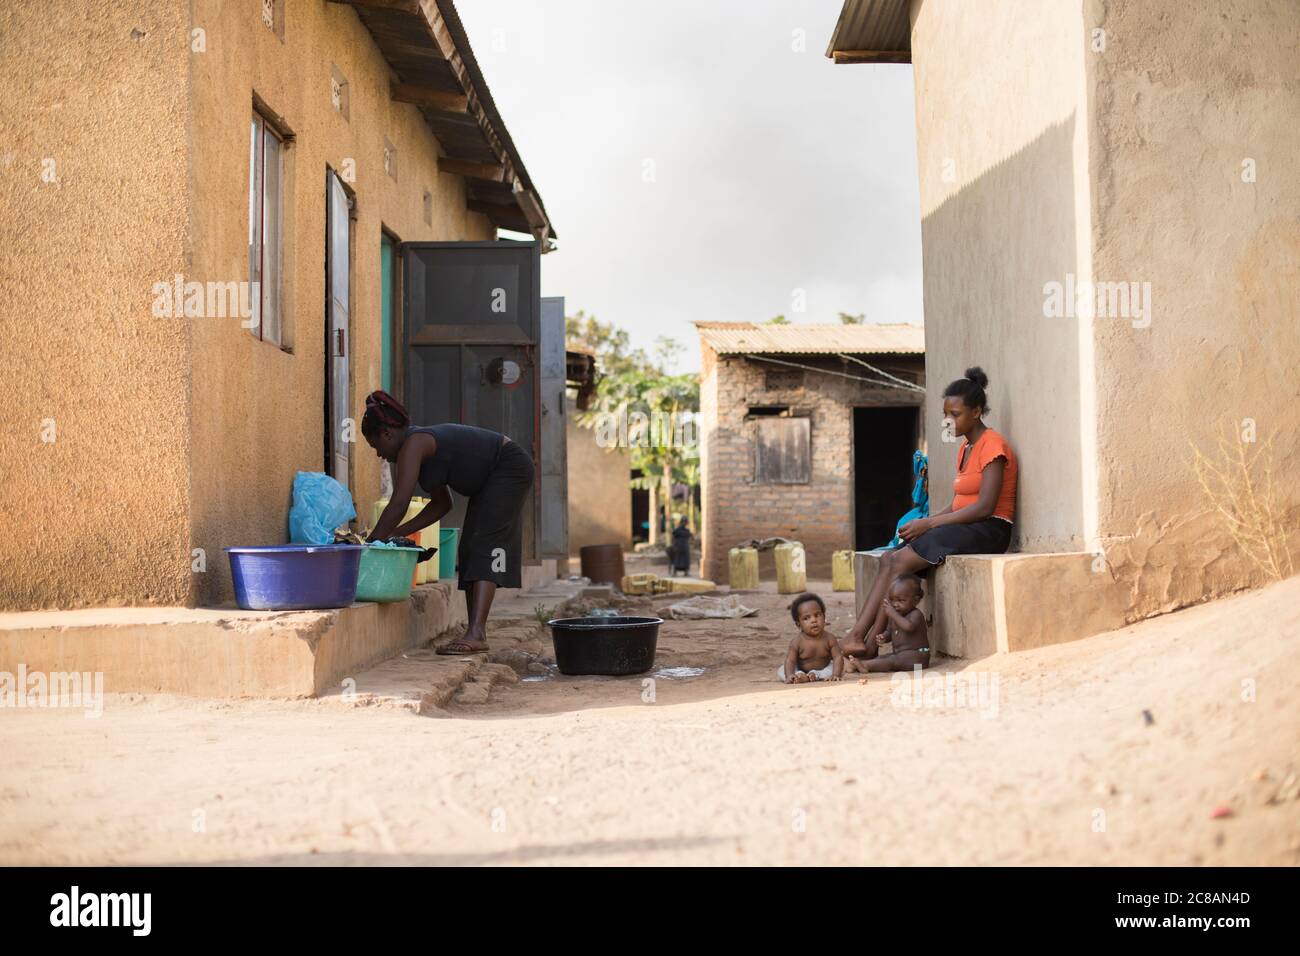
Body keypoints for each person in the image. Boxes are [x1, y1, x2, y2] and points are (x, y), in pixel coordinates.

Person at [843, 367, 1018, 658]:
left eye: (956, 414)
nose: (948, 420)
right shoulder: (966, 448)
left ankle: (863, 638)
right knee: (889, 557)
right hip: (967, 525)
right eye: (946, 414)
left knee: (899, 561)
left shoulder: (994, 446)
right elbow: (959, 503)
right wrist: (926, 522)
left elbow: (985, 507)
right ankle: (863, 640)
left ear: (976, 412)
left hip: (990, 529)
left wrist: (931, 523)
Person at [361, 390, 534, 655]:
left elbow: (399, 502)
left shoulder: (414, 444)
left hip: (509, 466)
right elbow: (443, 504)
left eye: (375, 447)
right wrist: (395, 533)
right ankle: (476, 632)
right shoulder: (423, 451)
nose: (378, 455)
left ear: (387, 434)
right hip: (490, 479)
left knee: (485, 544)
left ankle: (476, 634)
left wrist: (370, 545)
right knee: (468, 549)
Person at [844, 575, 930, 674]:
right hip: (901, 655)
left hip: (918, 659)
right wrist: (884, 637)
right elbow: (890, 631)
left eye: (901, 600)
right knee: (885, 657)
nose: (895, 604)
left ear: (916, 600)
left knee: (892, 661)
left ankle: (865, 665)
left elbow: (908, 627)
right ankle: (862, 664)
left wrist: (893, 614)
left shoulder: (916, 614)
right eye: (892, 600)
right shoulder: (895, 615)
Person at [779, 592, 844, 683]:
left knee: (836, 667)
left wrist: (836, 674)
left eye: (817, 615)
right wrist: (789, 675)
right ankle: (799, 676)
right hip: (800, 669)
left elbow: (837, 657)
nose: (813, 620)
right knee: (782, 670)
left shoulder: (830, 639)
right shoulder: (797, 642)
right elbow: (790, 660)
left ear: (824, 617)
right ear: (798, 625)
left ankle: (813, 675)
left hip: (823, 670)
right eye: (806, 618)